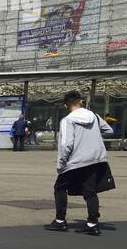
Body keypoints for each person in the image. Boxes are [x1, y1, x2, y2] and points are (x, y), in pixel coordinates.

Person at [46, 90, 115, 236]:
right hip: (96, 159)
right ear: (81, 101)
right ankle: (92, 224)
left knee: (59, 187)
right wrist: (92, 134)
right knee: (90, 191)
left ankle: (60, 221)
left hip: (77, 161)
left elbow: (66, 145)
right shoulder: (94, 116)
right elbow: (109, 130)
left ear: (66, 105)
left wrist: (61, 165)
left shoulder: (67, 120)